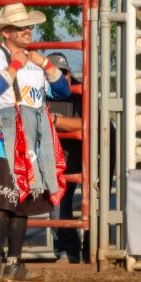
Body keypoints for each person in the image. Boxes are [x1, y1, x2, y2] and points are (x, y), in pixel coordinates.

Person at [0, 4, 71, 282]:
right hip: (3, 131)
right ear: (6, 32)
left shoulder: (36, 61)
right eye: (21, 27)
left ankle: (14, 263)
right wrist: (18, 64)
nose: (28, 31)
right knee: (0, 198)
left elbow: (63, 91)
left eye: (28, 26)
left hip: (31, 132)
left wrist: (45, 64)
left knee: (23, 198)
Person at [46, 52, 85, 263]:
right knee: (57, 205)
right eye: (52, 73)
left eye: (63, 72)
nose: (58, 77)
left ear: (69, 73)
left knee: (92, 204)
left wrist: (53, 119)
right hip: (57, 158)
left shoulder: (79, 90)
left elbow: (85, 123)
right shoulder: (41, 91)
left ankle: (89, 249)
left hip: (86, 158)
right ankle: (67, 252)